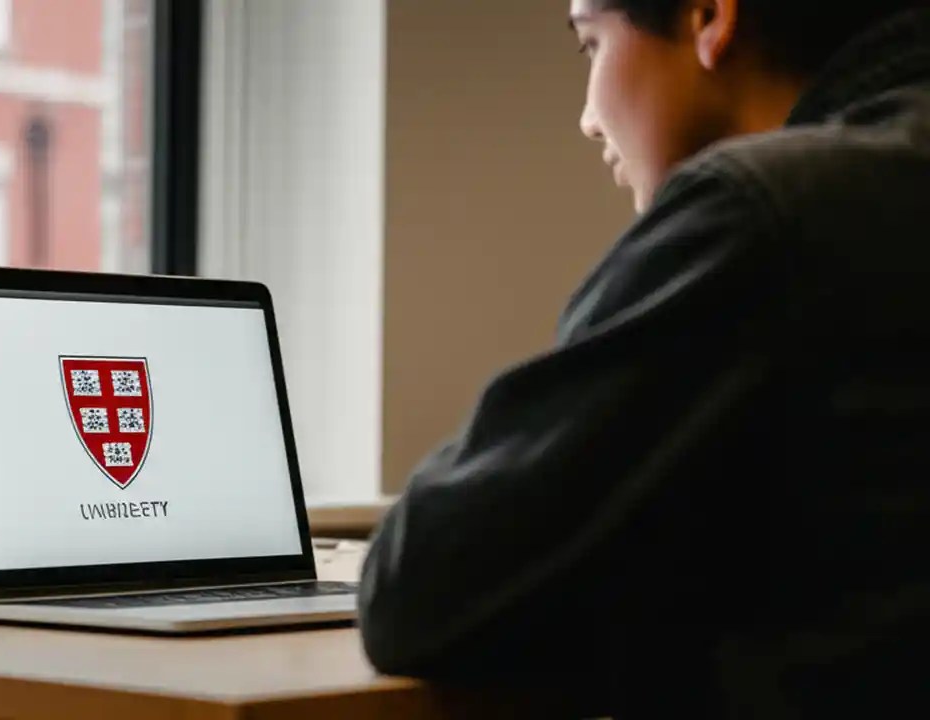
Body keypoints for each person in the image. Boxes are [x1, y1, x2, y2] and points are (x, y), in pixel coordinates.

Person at [357, 0, 930, 716]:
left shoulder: (761, 218)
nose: (589, 117)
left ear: (710, 17)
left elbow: (417, 591)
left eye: (591, 45)